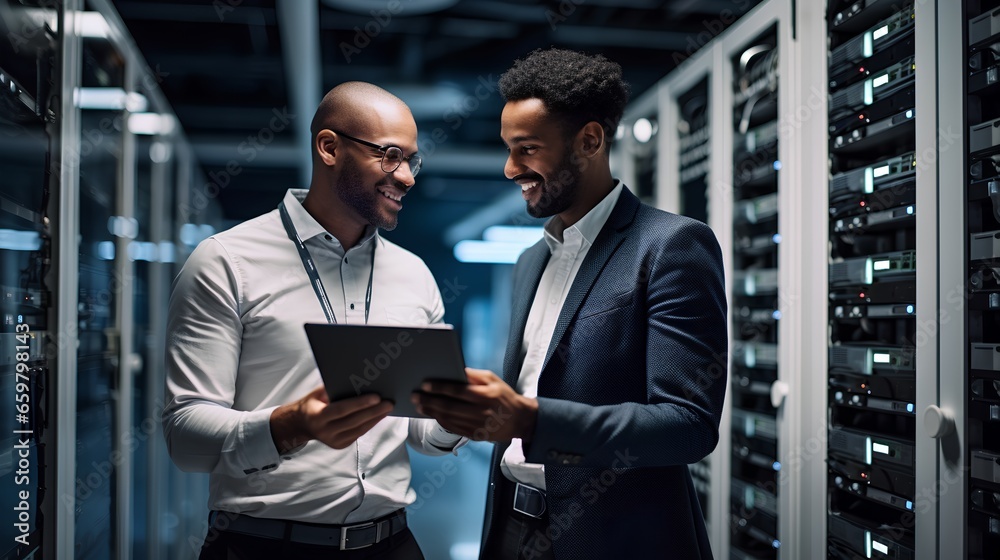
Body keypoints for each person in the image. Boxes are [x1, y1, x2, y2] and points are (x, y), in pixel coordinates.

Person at [413, 48, 727, 560]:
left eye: (527, 149)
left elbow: (687, 425)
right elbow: (536, 383)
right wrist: (468, 412)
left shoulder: (671, 246)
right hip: (510, 524)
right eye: (507, 149)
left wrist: (530, 420)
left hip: (612, 537)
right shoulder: (530, 261)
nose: (511, 168)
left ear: (589, 140)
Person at [163, 81, 464, 560]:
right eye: (390, 156)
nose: (406, 177)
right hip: (263, 549)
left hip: (393, 546)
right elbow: (185, 436)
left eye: (412, 160)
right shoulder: (225, 262)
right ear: (329, 147)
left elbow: (420, 432)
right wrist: (291, 425)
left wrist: (455, 418)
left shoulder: (413, 274)